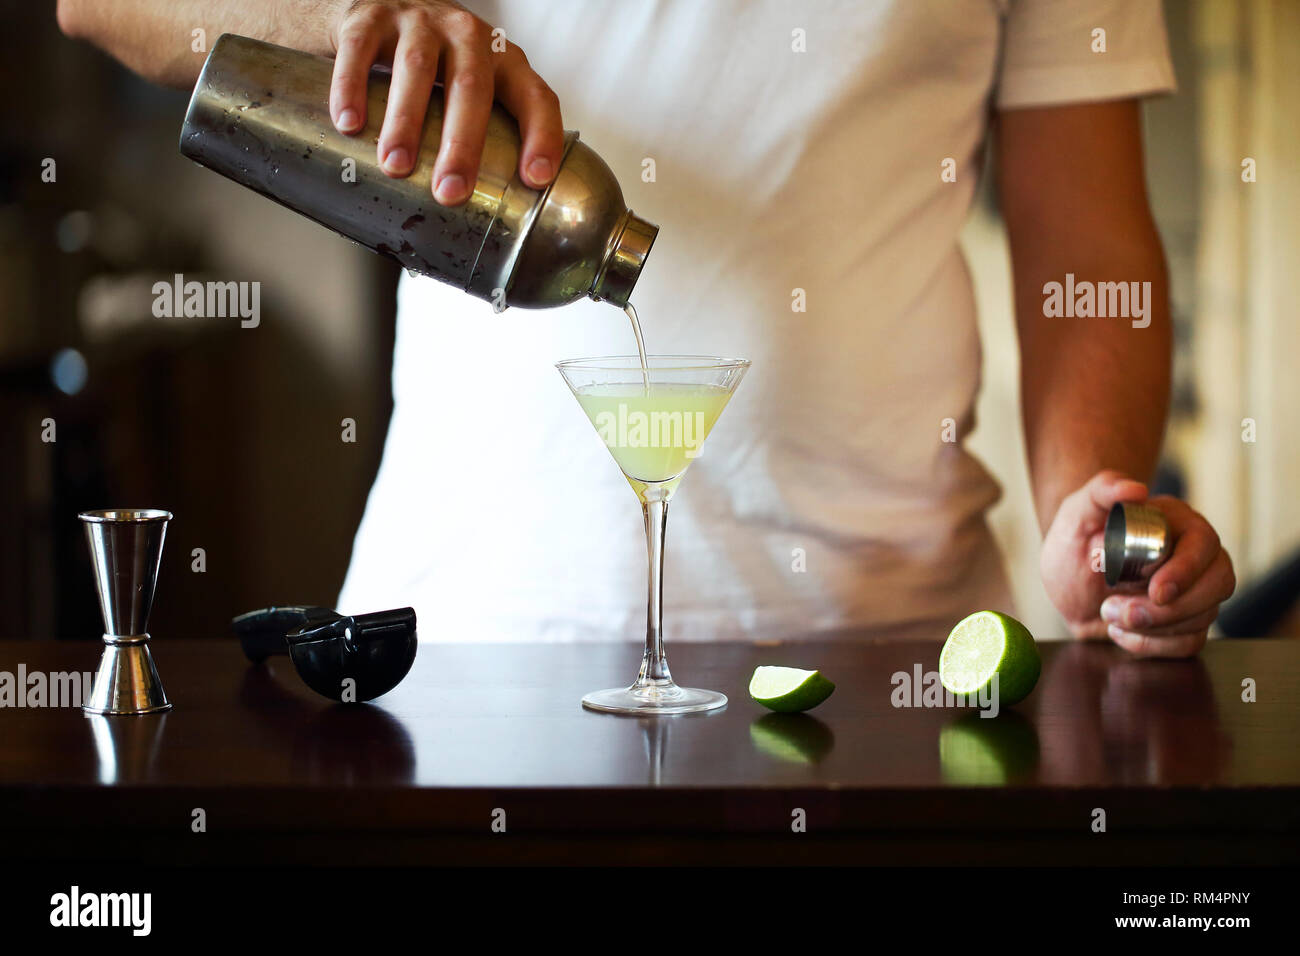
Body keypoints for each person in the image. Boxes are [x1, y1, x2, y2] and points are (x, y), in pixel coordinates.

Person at [58, 0, 1235, 657]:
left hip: (899, 658)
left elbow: (1084, 242)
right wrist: (332, 16)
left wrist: (1096, 513)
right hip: (468, 648)